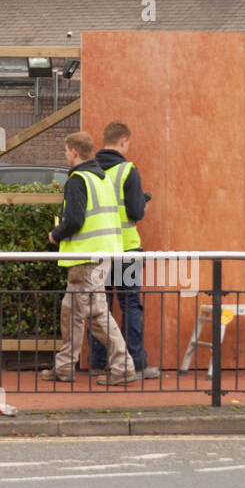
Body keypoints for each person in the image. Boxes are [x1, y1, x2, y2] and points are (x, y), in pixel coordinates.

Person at [41, 131, 137, 385]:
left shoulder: (78, 180)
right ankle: (64, 367)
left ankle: (123, 366)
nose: (65, 155)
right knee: (73, 311)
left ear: (73, 151)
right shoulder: (101, 178)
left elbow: (74, 220)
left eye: (65, 151)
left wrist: (55, 234)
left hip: (84, 258)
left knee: (94, 315)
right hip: (100, 255)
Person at [87, 121, 160, 379]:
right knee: (129, 304)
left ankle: (97, 362)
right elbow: (135, 212)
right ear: (123, 142)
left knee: (99, 306)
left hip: (97, 251)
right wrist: (143, 205)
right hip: (127, 250)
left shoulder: (89, 171)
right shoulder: (128, 170)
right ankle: (136, 363)